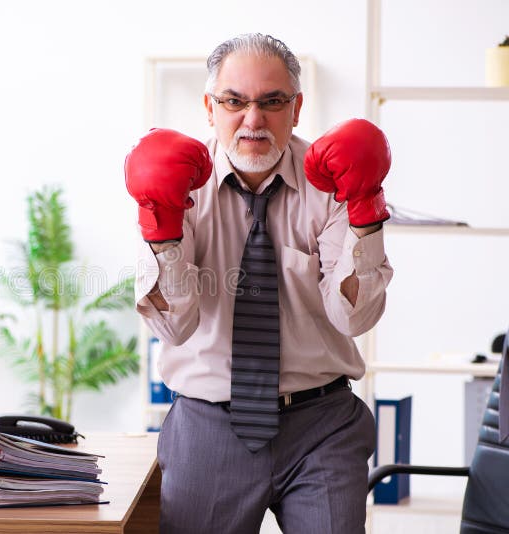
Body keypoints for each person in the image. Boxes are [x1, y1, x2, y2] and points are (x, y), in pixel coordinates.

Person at [124, 33, 394, 534]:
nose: (253, 120)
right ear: (210, 108)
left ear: (296, 108)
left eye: (272, 102)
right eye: (234, 101)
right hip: (208, 424)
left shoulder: (332, 184)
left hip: (322, 424)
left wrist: (366, 213)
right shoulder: (180, 184)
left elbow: (354, 317)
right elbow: (174, 327)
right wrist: (162, 225)